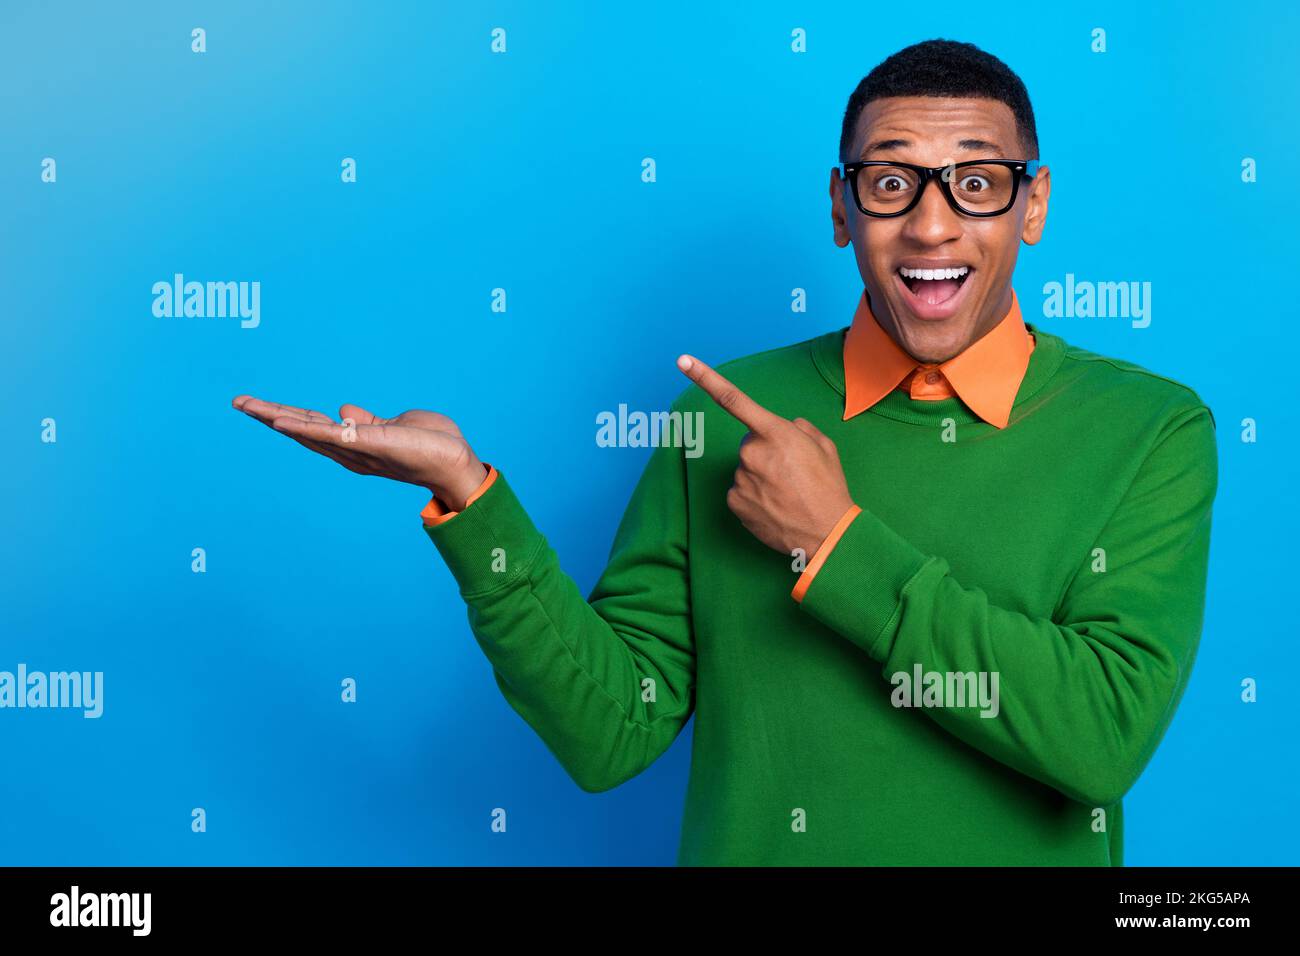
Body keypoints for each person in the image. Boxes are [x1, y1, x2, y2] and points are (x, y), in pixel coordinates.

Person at [233, 39, 1217, 866]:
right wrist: (471, 498)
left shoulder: (1150, 429)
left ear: (1032, 205)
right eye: (889, 182)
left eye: (974, 182)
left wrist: (835, 543)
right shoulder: (725, 416)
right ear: (840, 209)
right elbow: (609, 730)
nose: (930, 222)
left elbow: (1099, 736)